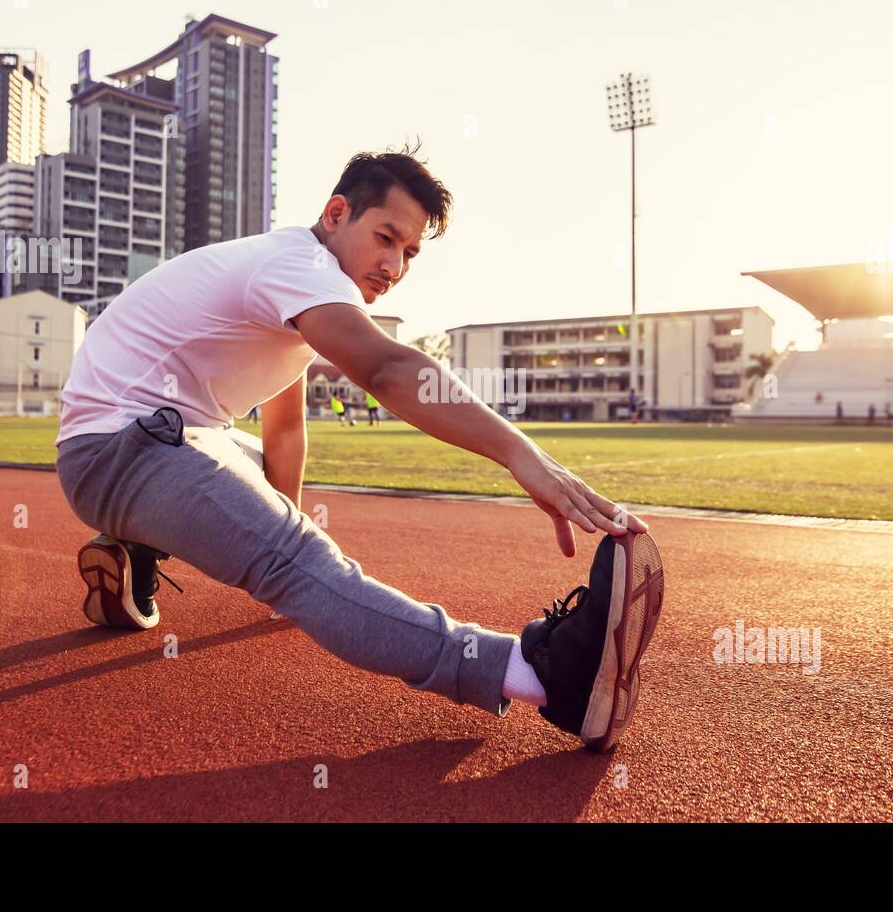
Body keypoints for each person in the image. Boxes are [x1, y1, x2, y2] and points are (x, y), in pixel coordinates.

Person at [52, 144, 665, 752]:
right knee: (298, 559)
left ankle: (132, 550)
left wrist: (274, 529)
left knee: (278, 528)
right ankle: (544, 677)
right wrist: (520, 455)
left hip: (165, 436)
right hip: (119, 450)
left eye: (410, 253)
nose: (394, 267)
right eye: (386, 237)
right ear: (337, 212)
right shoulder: (298, 265)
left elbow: (284, 433)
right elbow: (389, 370)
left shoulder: (301, 294)